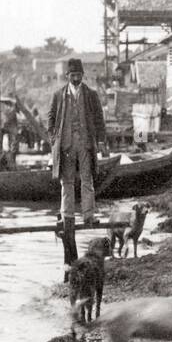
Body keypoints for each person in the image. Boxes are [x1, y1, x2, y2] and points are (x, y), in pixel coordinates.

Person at [48, 57, 107, 232]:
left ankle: (89, 216)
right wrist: (54, 139)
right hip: (65, 145)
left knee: (87, 180)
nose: (76, 78)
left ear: (82, 75)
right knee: (67, 181)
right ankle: (68, 216)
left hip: (85, 144)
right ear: (67, 75)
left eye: (79, 75)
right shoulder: (59, 95)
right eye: (73, 75)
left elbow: (99, 120)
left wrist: (101, 141)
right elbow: (51, 119)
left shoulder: (91, 94)